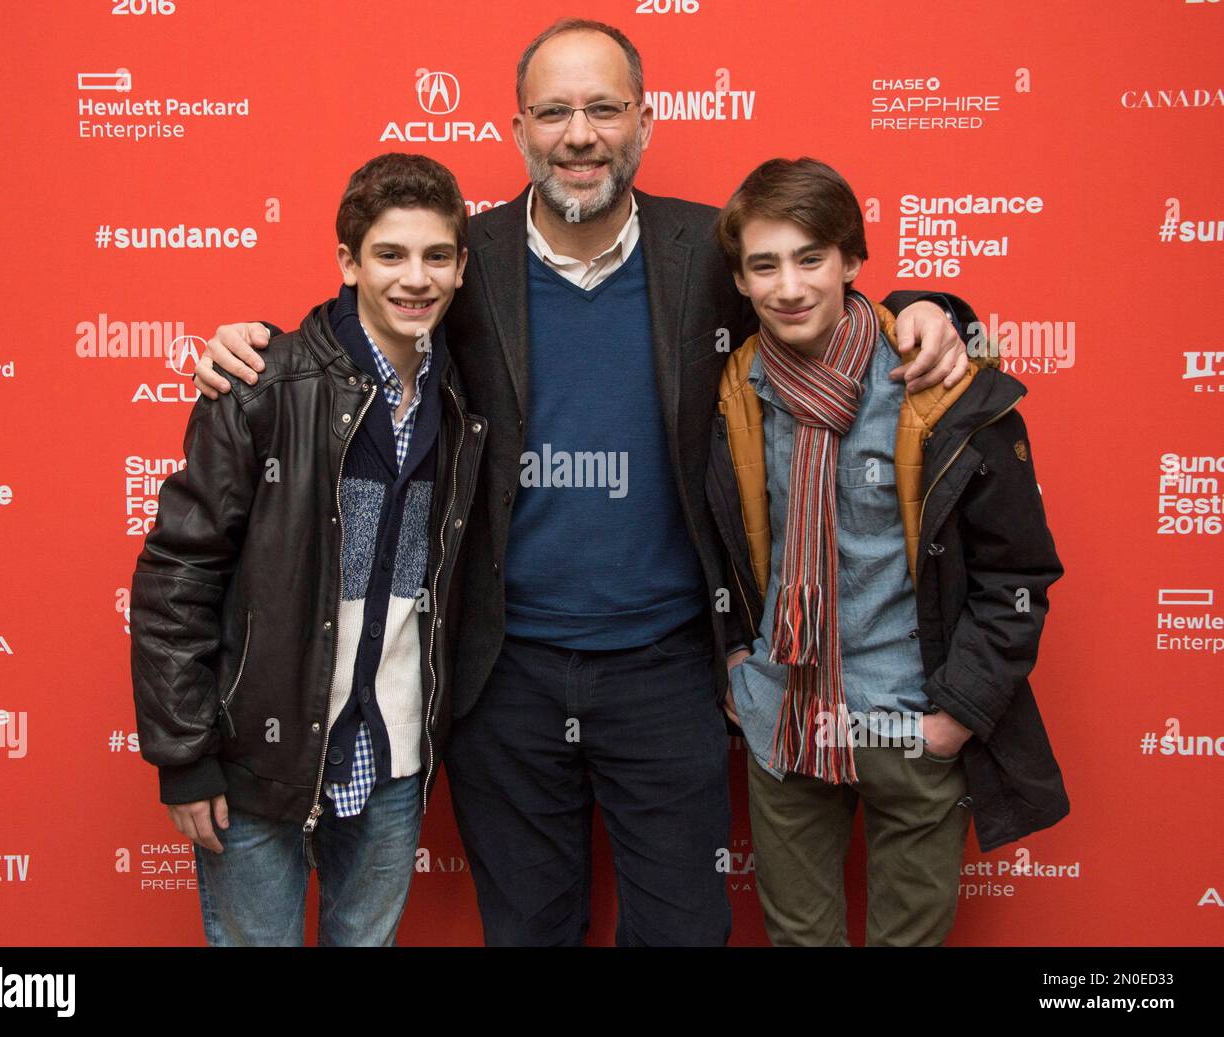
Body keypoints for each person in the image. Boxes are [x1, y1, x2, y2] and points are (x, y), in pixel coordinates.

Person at [189, 19, 982, 947]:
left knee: (684, 931)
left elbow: (811, 296)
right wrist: (254, 344)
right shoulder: (462, 259)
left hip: (669, 668)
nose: (580, 134)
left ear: (644, 121)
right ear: (517, 129)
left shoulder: (704, 251)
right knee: (529, 931)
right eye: (555, 112)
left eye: (604, 109)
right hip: (503, 675)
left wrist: (937, 307)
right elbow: (357, 332)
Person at [708, 156, 1068, 946]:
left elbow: (1017, 575)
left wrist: (955, 714)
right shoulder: (731, 387)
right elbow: (708, 542)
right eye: (764, 265)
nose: (789, 287)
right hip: (788, 720)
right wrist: (736, 658)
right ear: (738, 279)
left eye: (810, 258)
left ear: (852, 261)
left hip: (908, 717)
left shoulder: (945, 386)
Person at [129, 153, 485, 946]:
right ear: (347, 262)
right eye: (390, 255)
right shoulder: (263, 385)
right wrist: (183, 755)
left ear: (462, 267)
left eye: (436, 256)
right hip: (258, 754)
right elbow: (175, 576)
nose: (414, 278)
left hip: (390, 755)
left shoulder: (464, 400)